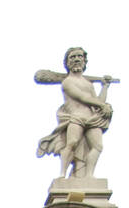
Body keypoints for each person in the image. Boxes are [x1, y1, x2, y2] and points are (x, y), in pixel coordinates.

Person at [35, 47, 115, 179]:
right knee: (72, 143)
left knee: (97, 146)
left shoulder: (88, 84)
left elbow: (97, 101)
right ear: (67, 63)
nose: (77, 59)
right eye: (73, 57)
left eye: (79, 56)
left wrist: (105, 86)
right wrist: (102, 105)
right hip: (76, 117)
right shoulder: (67, 82)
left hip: (91, 118)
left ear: (84, 61)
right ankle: (62, 174)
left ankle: (89, 176)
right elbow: (82, 97)